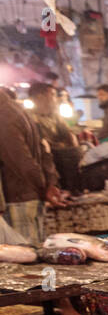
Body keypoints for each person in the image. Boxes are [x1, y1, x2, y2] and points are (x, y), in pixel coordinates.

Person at [0, 88, 69, 245]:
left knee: (25, 259)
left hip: (18, 199)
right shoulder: (17, 109)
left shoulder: (3, 116)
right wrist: (49, 184)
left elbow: (22, 162)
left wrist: (45, 187)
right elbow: (44, 149)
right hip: (28, 196)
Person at [27, 83, 83, 190]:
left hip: (61, 152)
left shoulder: (54, 115)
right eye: (52, 94)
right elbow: (41, 142)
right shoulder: (30, 117)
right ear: (40, 97)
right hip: (46, 155)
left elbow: (67, 132)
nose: (55, 98)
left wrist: (73, 143)